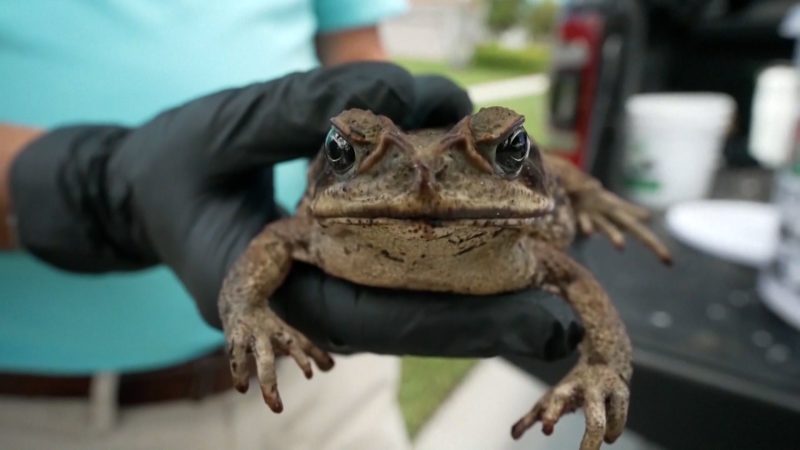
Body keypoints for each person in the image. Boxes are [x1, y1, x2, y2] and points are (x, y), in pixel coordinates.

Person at [0, 1, 582, 449]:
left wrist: (443, 163)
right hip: (44, 417)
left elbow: (362, 70)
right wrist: (90, 184)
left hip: (324, 386)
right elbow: (287, 231)